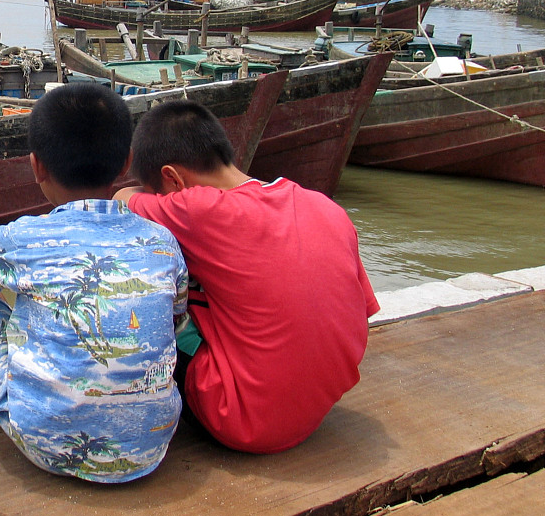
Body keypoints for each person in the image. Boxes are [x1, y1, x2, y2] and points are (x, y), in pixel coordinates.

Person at [0, 83, 188, 483]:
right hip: (148, 447)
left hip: (45, 445)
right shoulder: (161, 239)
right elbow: (177, 317)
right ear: (126, 161)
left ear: (36, 165)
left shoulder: (25, 237)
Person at [114, 99, 379, 454]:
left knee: (149, 296)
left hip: (239, 419)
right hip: (317, 407)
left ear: (172, 179)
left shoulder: (199, 209)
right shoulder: (326, 207)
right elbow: (361, 307)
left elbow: (120, 198)